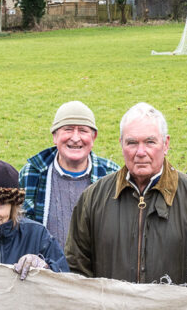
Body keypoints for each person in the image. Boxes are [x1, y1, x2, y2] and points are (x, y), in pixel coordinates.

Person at [67, 103, 187, 285]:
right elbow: (76, 268)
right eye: (132, 142)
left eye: (150, 142)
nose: (140, 152)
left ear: (165, 144)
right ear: (121, 144)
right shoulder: (93, 198)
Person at [21, 101, 118, 242]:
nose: (75, 138)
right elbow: (18, 225)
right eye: (68, 129)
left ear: (93, 137)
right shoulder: (32, 173)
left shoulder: (111, 174)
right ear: (55, 136)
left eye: (83, 131)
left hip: (96, 263)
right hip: (43, 263)